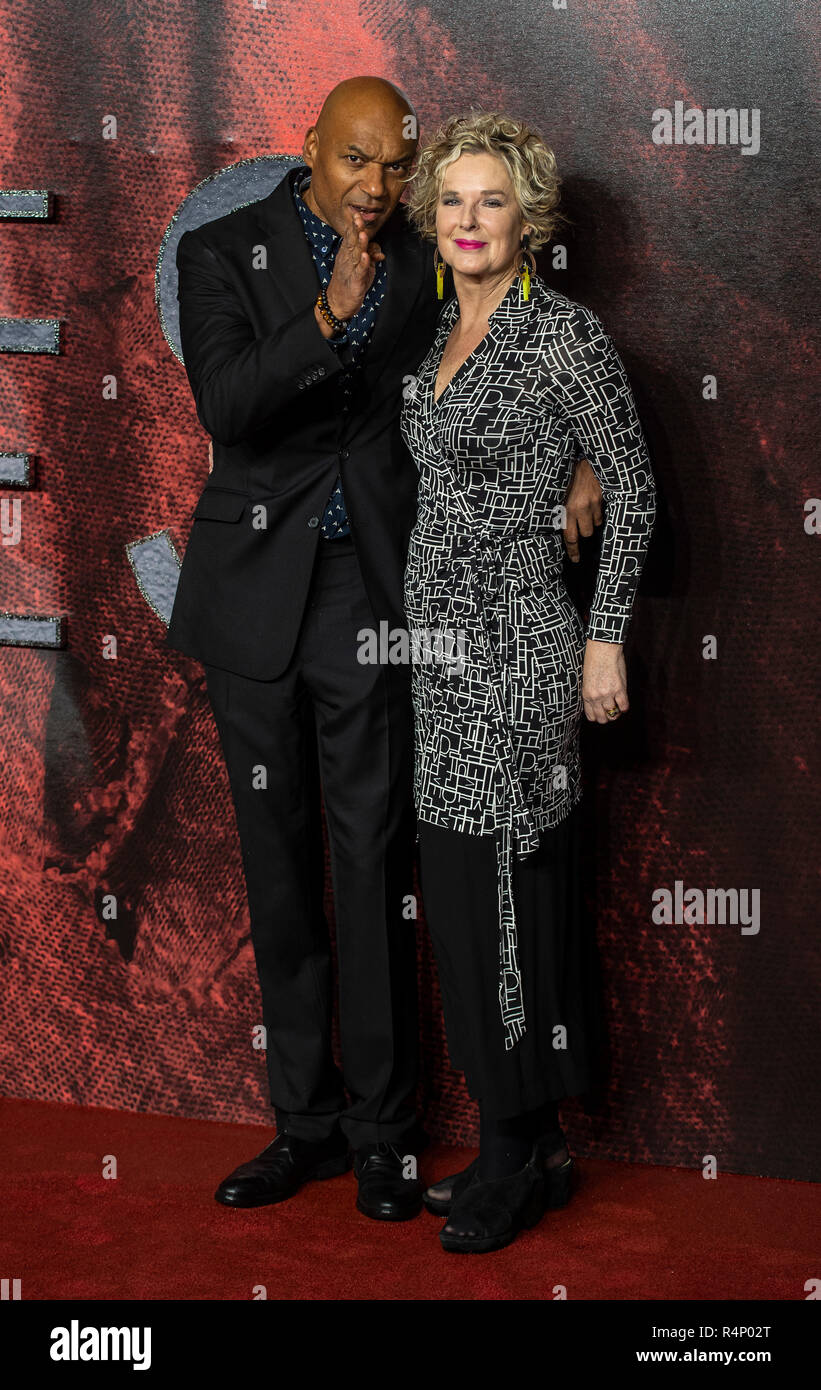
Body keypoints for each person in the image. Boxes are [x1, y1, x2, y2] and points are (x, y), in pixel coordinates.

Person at [166, 78, 602, 1222]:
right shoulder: (223, 249)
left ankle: (382, 1134)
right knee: (279, 863)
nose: (376, 184)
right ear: (309, 148)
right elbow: (226, 405)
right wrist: (324, 313)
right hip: (257, 596)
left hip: (376, 595)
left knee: (373, 865)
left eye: (394, 164)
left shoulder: (419, 254)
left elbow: (496, 353)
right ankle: (301, 1124)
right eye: (357, 160)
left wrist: (578, 457)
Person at [400, 111, 656, 1252]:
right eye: (450, 200)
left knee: (506, 889)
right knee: (465, 894)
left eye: (488, 200)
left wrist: (603, 638)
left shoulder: (562, 335)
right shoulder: (435, 327)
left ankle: (512, 1148)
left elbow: (635, 488)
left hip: (519, 648)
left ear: (528, 218)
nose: (466, 220)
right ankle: (533, 1143)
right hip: (438, 656)